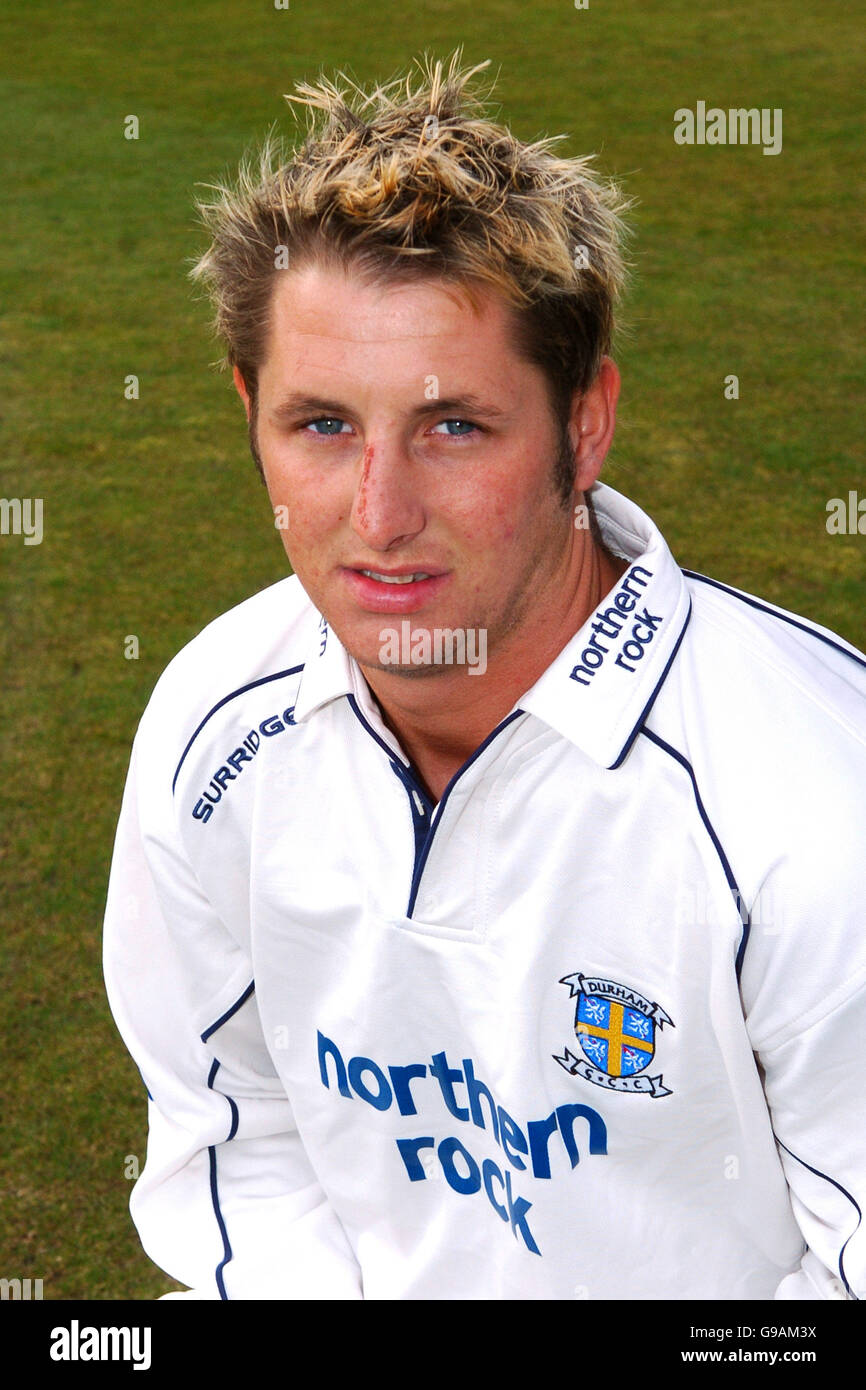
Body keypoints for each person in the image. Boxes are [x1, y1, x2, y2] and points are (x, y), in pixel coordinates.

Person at [103, 51, 865, 1301]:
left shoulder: (809, 803)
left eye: (452, 424)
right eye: (321, 425)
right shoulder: (213, 720)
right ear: (248, 410)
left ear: (584, 421)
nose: (379, 515)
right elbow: (237, 1136)